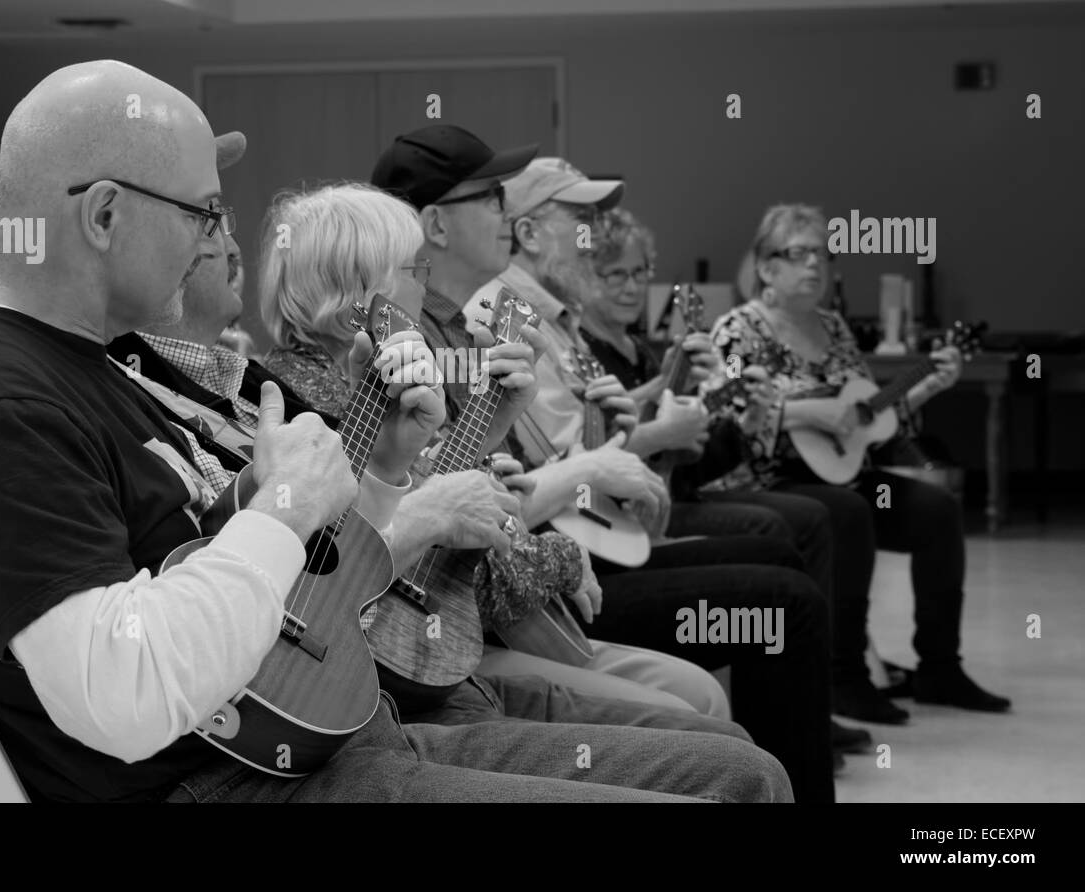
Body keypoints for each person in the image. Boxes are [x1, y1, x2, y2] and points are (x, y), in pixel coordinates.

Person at [0, 61, 788, 803]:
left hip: (337, 726)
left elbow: (241, 564)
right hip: (233, 782)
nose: (215, 240)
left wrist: (368, 474)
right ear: (106, 214)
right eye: (200, 210)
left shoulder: (102, 357)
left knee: (744, 772)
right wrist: (283, 505)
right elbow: (121, 692)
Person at [374, 133, 833, 801]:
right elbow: (524, 485)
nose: (596, 238)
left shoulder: (526, 323)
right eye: (579, 220)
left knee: (791, 555)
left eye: (635, 268)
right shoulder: (498, 315)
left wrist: (632, 425)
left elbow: (539, 464)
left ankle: (808, 727)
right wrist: (637, 444)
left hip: (553, 565)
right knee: (787, 580)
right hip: (520, 591)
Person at [258, 181, 732, 719]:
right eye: (414, 269)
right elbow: (420, 563)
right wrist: (561, 556)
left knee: (697, 692)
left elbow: (431, 504)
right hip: (415, 656)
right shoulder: (314, 399)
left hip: (468, 633)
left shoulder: (377, 377)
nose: (427, 284)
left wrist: (491, 430)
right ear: (359, 298)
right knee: (694, 704)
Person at [576, 207, 871, 756]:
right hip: (612, 527)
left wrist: (736, 418)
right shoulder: (587, 356)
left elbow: (695, 462)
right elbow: (604, 461)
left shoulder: (646, 352)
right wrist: (670, 433)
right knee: (785, 526)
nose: (629, 286)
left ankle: (810, 698)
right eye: (613, 273)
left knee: (803, 523)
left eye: (640, 273)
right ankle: (797, 712)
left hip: (664, 500)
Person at [709, 202, 1010, 723]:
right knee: (845, 512)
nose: (815, 266)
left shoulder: (834, 327)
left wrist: (924, 389)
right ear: (766, 267)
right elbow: (729, 409)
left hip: (843, 472)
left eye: (823, 255)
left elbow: (865, 419)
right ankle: (843, 676)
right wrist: (808, 410)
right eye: (800, 254)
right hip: (767, 478)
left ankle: (940, 667)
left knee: (937, 510)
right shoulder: (738, 329)